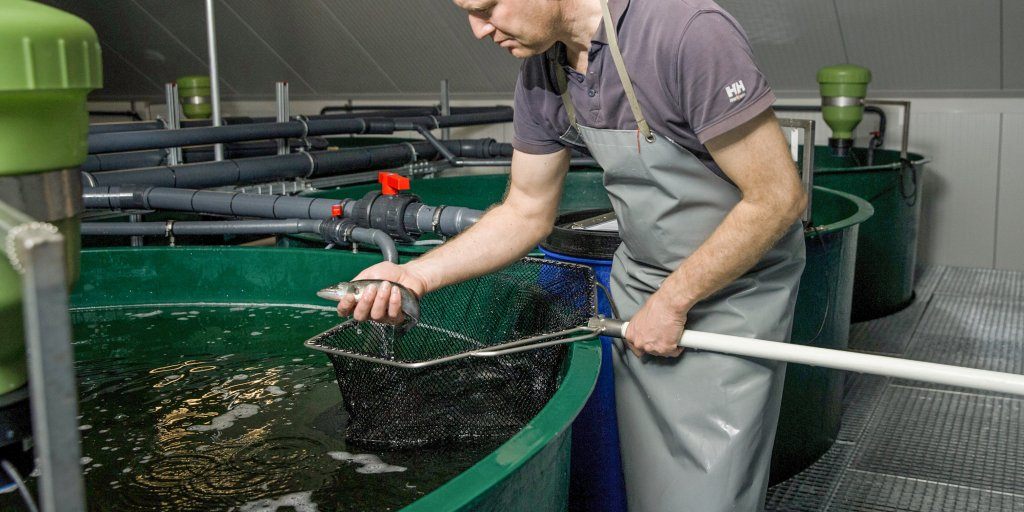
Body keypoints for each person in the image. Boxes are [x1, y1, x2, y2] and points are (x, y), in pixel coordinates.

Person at [337, 0, 807, 510]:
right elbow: (525, 211)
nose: (477, 30)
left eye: (486, 6)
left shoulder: (688, 33)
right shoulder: (544, 68)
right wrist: (412, 276)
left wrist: (672, 302)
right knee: (655, 486)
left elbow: (777, 198)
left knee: (709, 492)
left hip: (733, 292)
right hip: (643, 287)